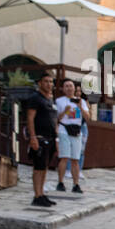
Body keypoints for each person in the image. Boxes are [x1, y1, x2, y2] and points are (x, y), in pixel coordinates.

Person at [23, 74, 59, 207]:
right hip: (39, 137)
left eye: (51, 82)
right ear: (40, 83)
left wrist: (56, 138)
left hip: (50, 137)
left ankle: (42, 194)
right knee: (38, 167)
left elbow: (54, 120)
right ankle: (37, 195)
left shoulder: (50, 99)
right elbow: (30, 118)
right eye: (46, 81)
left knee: (45, 167)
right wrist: (33, 137)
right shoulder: (35, 98)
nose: (49, 84)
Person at [53, 79, 85, 194]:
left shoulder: (81, 101)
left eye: (71, 86)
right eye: (66, 86)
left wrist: (80, 106)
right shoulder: (59, 101)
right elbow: (57, 118)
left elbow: (88, 117)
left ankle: (76, 184)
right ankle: (60, 182)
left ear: (74, 88)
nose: (69, 88)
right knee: (64, 157)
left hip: (76, 130)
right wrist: (65, 112)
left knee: (75, 159)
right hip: (64, 129)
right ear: (63, 88)